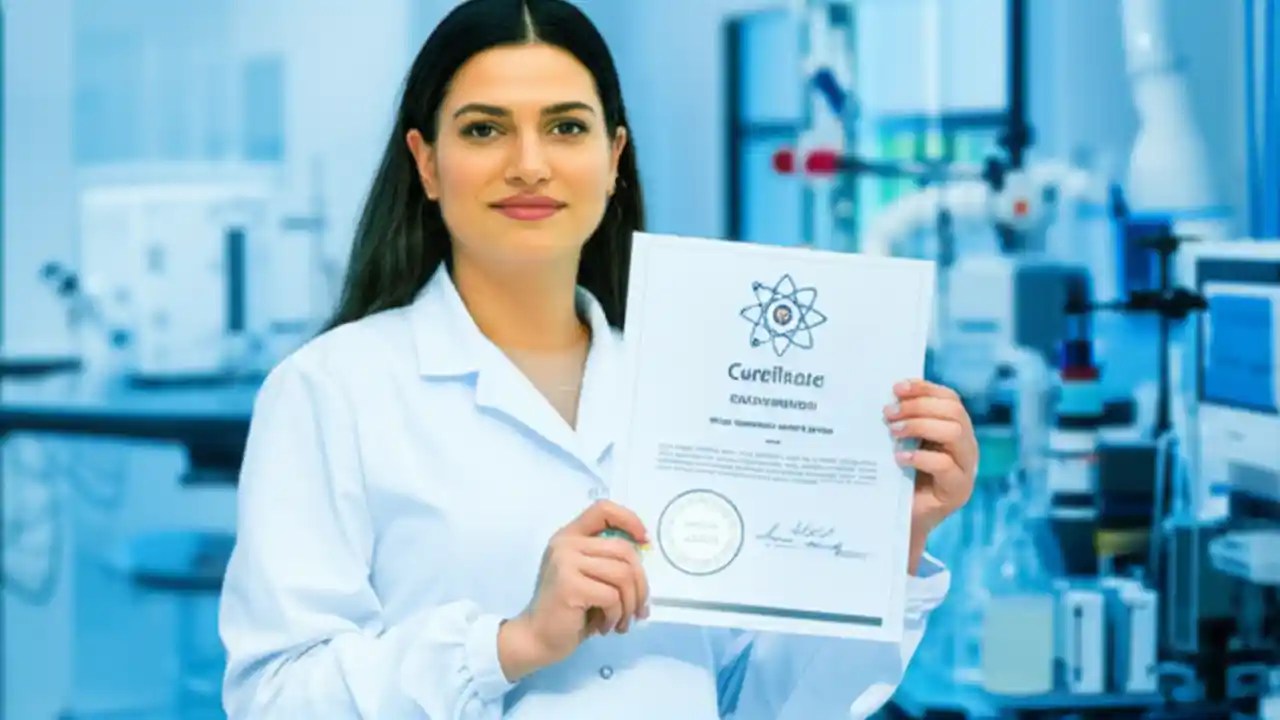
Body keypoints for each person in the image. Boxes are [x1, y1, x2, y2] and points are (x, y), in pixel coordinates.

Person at [217, 0, 979, 718]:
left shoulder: (701, 386)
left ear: (614, 158)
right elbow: (275, 698)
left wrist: (891, 540)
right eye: (484, 130)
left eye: (566, 128)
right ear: (425, 162)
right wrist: (510, 643)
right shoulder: (331, 390)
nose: (529, 164)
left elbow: (767, 700)